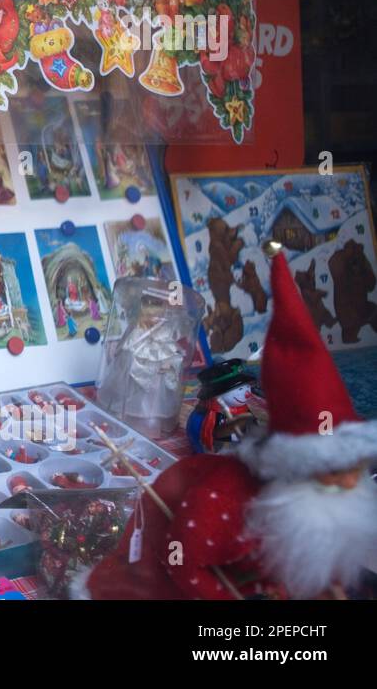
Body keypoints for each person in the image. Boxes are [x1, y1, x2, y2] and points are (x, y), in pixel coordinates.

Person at [85, 247, 377, 599]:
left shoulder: (302, 508)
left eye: (357, 468)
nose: (349, 482)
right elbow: (182, 560)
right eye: (334, 473)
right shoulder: (224, 500)